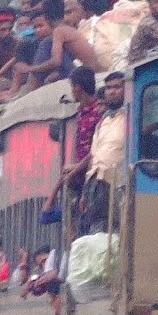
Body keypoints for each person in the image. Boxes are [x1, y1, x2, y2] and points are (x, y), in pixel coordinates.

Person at [63, 72, 127, 234]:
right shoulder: (104, 121)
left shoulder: (129, 117)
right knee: (96, 231)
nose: (112, 91)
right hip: (96, 183)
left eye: (117, 87)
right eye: (108, 88)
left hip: (117, 183)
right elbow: (94, 155)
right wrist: (85, 191)